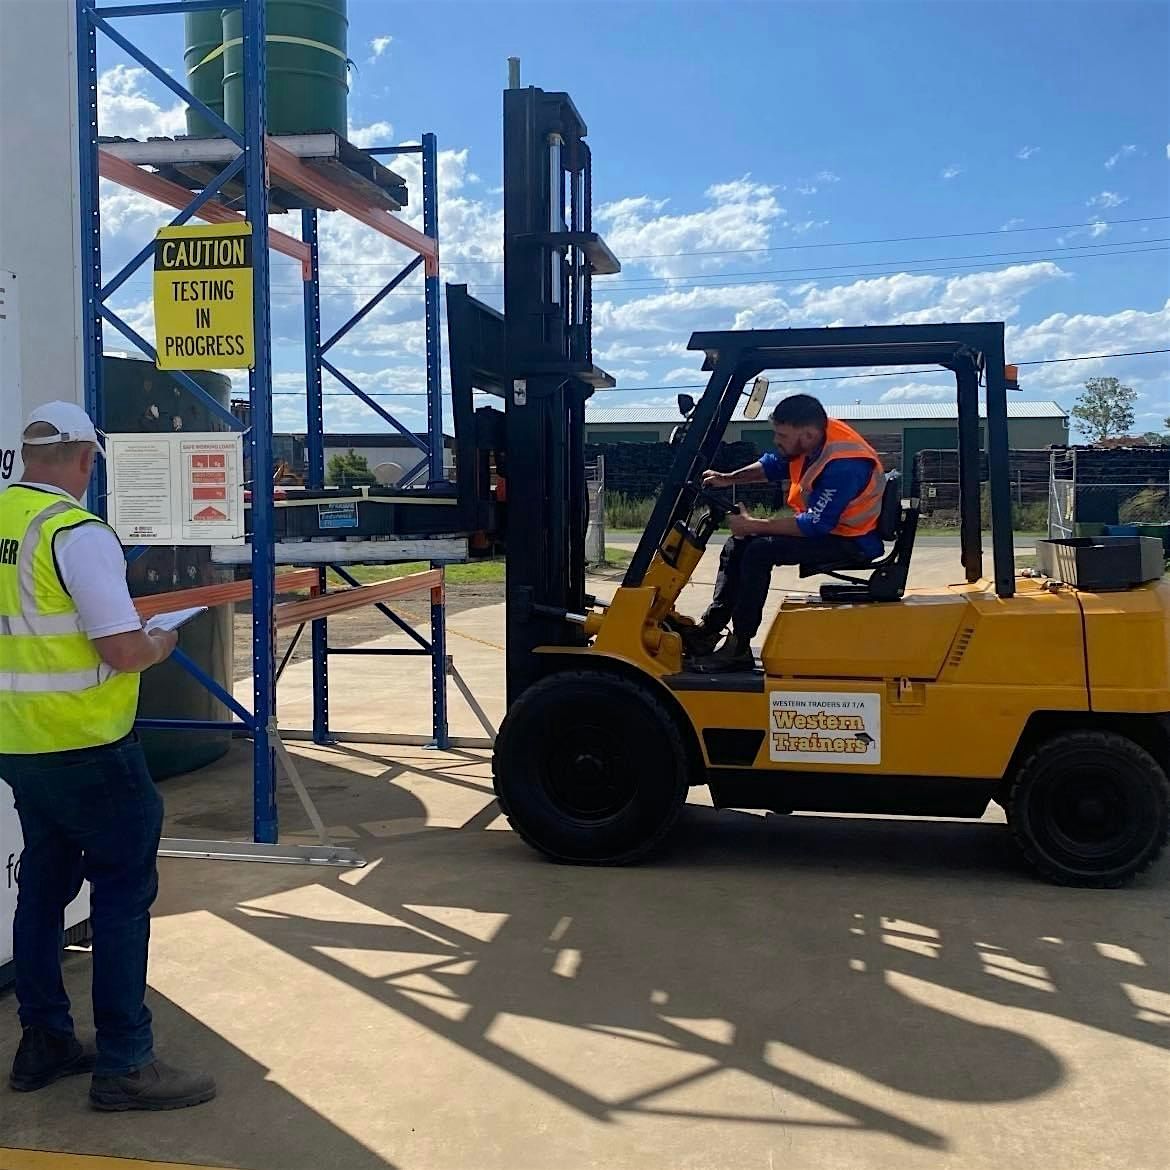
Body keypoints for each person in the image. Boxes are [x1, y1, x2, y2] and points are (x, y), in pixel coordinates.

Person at [0, 402, 216, 1111]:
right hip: (90, 745)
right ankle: (126, 1061)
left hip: (21, 743)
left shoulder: (6, 523)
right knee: (123, 896)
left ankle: (45, 1042)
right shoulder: (76, 532)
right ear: (87, 460)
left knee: (42, 889)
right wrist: (161, 642)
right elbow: (120, 649)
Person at [691, 393, 885, 670]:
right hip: (831, 530)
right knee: (739, 543)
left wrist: (754, 524)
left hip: (851, 539)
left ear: (806, 434)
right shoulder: (812, 441)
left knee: (759, 550)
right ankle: (711, 628)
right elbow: (773, 464)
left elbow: (815, 525)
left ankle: (740, 646)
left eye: (781, 434)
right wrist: (727, 479)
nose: (776, 440)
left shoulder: (844, 464)